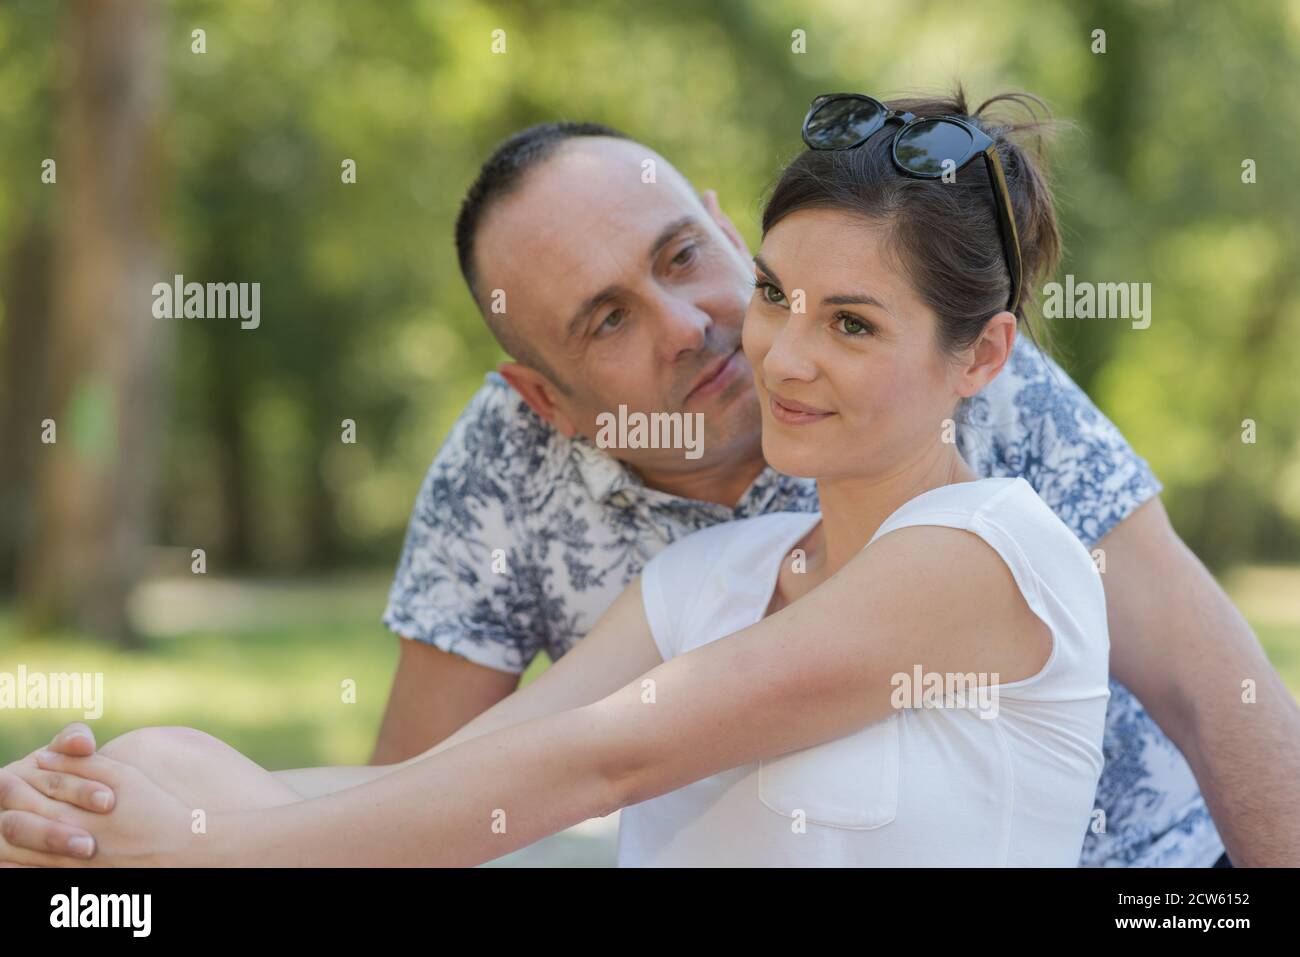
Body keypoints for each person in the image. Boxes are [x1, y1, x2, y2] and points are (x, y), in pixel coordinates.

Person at [2, 89, 1296, 866]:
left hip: (1140, 866)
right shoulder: (692, 566)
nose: (723, 331)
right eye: (607, 319)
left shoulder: (983, 502)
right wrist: (103, 810)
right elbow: (425, 796)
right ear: (545, 398)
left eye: (693, 258)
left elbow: (597, 767)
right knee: (138, 766)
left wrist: (202, 851)